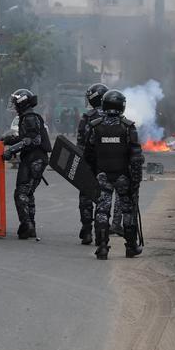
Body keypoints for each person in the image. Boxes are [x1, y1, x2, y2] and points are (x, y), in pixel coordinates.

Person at [83, 90, 144, 260]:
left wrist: (95, 172)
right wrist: (136, 180)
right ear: (122, 106)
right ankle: (131, 247)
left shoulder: (95, 126)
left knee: (102, 210)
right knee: (128, 210)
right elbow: (136, 156)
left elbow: (88, 154)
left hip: (102, 175)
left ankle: (102, 248)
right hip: (123, 176)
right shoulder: (128, 127)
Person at [3, 88, 51, 239]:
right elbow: (27, 138)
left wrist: (11, 150)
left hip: (34, 159)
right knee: (28, 193)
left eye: (16, 103)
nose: (14, 106)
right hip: (36, 158)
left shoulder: (29, 117)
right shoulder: (27, 116)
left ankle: (27, 225)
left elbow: (33, 140)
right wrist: (9, 140)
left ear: (22, 103)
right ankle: (31, 225)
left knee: (21, 193)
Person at [75, 82, 108, 245]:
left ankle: (87, 231)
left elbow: (80, 143)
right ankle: (102, 232)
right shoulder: (114, 117)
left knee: (86, 196)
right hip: (107, 164)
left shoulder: (87, 117)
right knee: (104, 198)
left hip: (89, 162)